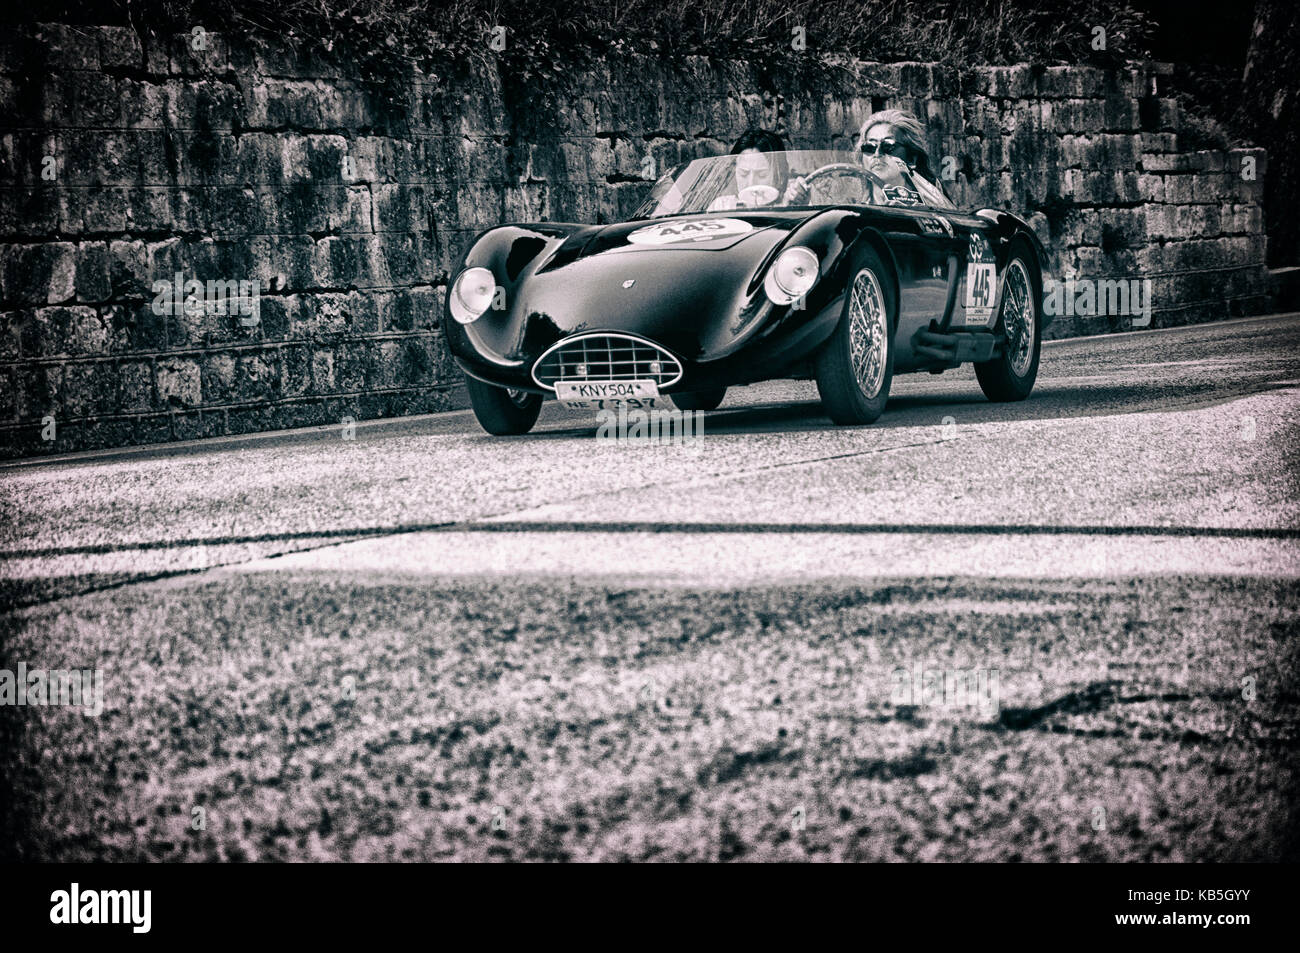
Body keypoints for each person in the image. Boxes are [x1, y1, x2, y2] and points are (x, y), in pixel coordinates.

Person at [856, 109, 955, 209]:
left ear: (911, 158)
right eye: (869, 147)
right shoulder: (851, 203)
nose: (877, 154)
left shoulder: (932, 209)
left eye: (888, 146)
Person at [706, 129, 808, 211]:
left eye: (762, 175)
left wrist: (798, 206)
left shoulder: (789, 204)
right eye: (743, 174)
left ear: (779, 174)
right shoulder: (721, 207)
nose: (751, 183)